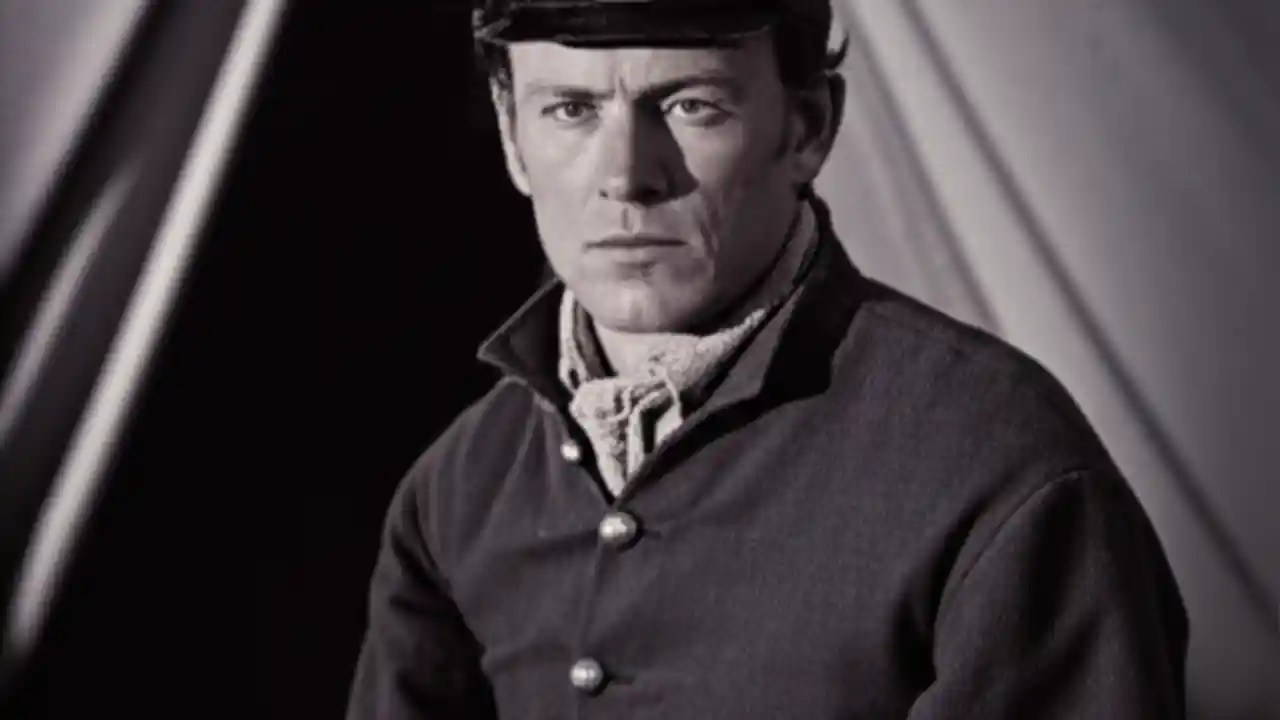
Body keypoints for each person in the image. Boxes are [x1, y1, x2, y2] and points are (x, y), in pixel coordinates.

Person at [345, 0, 1188, 717]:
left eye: (690, 106)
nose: (627, 176)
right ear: (510, 136)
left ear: (808, 127)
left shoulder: (1001, 470)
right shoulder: (454, 494)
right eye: (570, 109)